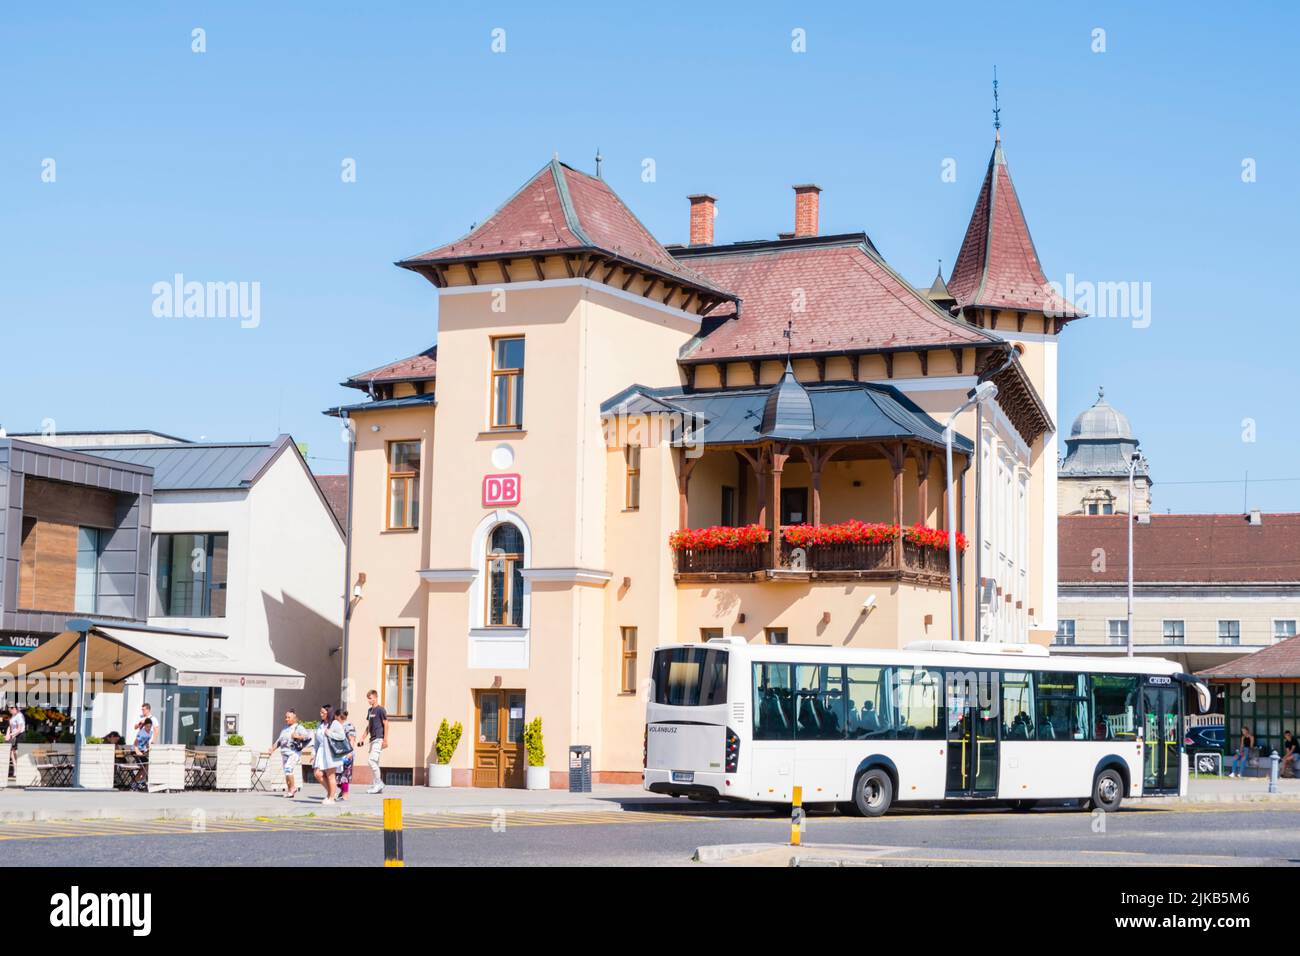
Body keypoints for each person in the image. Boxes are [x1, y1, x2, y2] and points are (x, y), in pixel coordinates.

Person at [267, 709, 311, 797]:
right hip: (284, 753)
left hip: (293, 753)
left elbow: (308, 736)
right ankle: (290, 791)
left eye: (288, 717)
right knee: (287, 772)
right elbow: (279, 741)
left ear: (294, 718)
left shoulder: (298, 727)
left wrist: (298, 736)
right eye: (286, 717)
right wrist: (272, 749)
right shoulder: (285, 729)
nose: (286, 719)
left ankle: (293, 788)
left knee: (288, 769)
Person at [312, 705, 349, 805]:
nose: (321, 714)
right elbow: (316, 741)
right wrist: (313, 753)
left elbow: (342, 736)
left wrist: (329, 733)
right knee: (317, 773)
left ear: (328, 713)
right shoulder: (320, 725)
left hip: (331, 752)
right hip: (321, 751)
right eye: (320, 712)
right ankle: (330, 793)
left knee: (330, 775)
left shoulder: (334, 723)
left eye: (323, 713)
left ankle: (331, 798)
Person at [358, 690, 389, 794]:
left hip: (379, 738)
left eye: (370, 698)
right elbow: (369, 726)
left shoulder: (381, 710)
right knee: (375, 762)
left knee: (371, 761)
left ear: (376, 698)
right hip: (372, 739)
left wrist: (385, 739)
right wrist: (362, 738)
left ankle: (379, 782)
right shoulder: (370, 711)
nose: (369, 700)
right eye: (368, 698)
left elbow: (386, 724)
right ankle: (377, 786)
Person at [336, 709, 358, 800]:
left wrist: (350, 752)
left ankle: (345, 795)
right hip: (339, 754)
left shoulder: (348, 726)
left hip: (347, 754)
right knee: (337, 776)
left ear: (338, 717)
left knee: (345, 775)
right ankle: (343, 791)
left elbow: (352, 739)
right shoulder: (338, 726)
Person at [5, 704, 25, 779]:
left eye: (10, 709)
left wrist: (11, 734)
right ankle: (16, 769)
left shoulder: (19, 716)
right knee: (11, 752)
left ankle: (20, 768)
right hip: (13, 735)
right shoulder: (13, 716)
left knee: (16, 752)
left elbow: (19, 729)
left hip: (20, 735)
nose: (9, 711)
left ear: (14, 709)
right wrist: (8, 734)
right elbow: (10, 726)